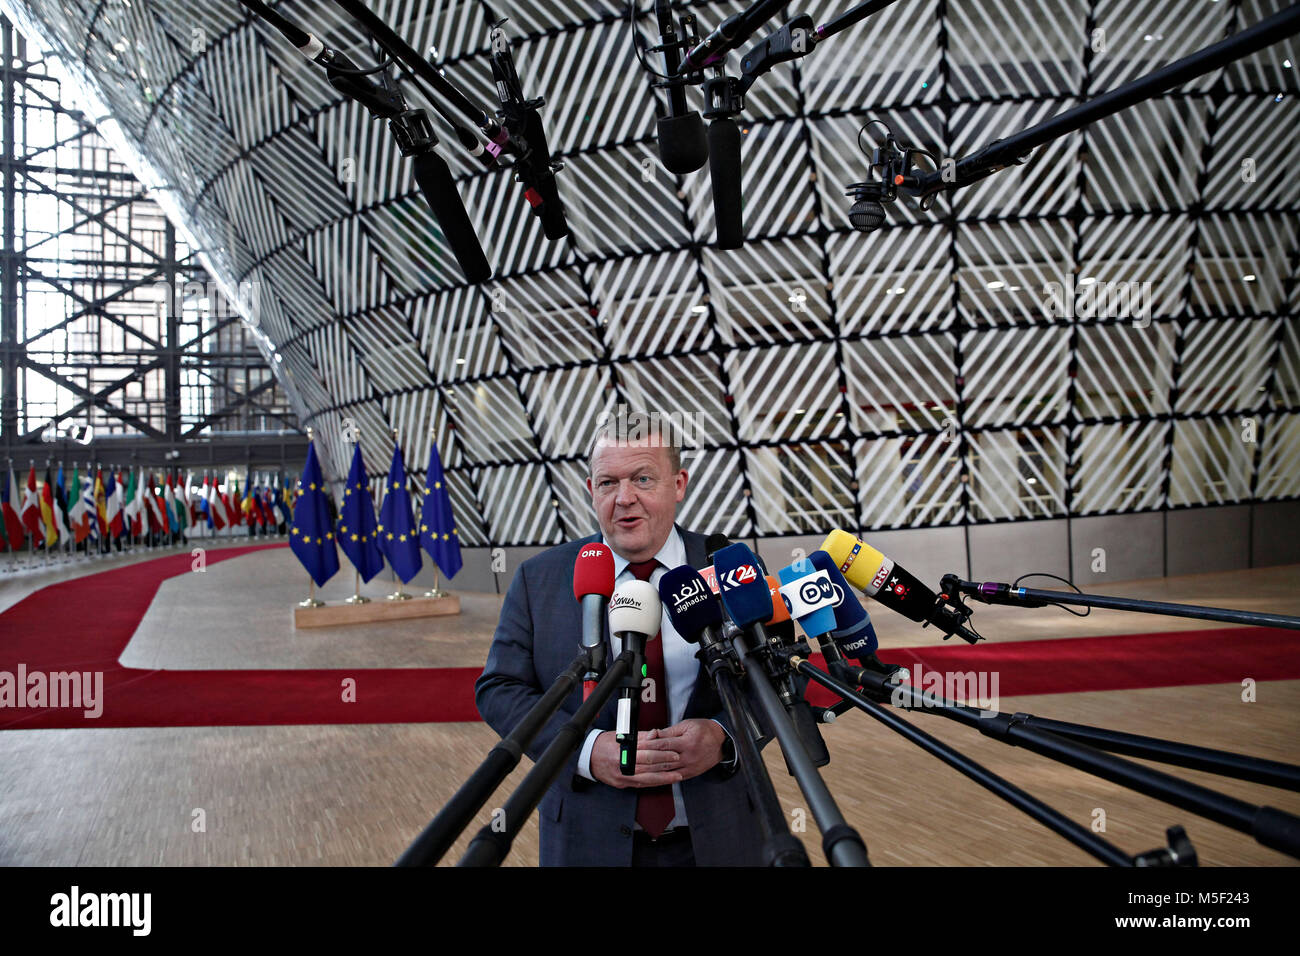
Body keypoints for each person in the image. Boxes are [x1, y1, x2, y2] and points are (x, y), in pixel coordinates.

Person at [474, 418, 765, 866]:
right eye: (608, 482)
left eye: (643, 479)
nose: (624, 498)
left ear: (679, 484)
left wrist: (725, 735)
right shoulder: (539, 579)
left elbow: (778, 681)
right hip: (587, 839)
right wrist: (585, 752)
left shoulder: (731, 569)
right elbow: (500, 689)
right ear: (591, 489)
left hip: (722, 837)